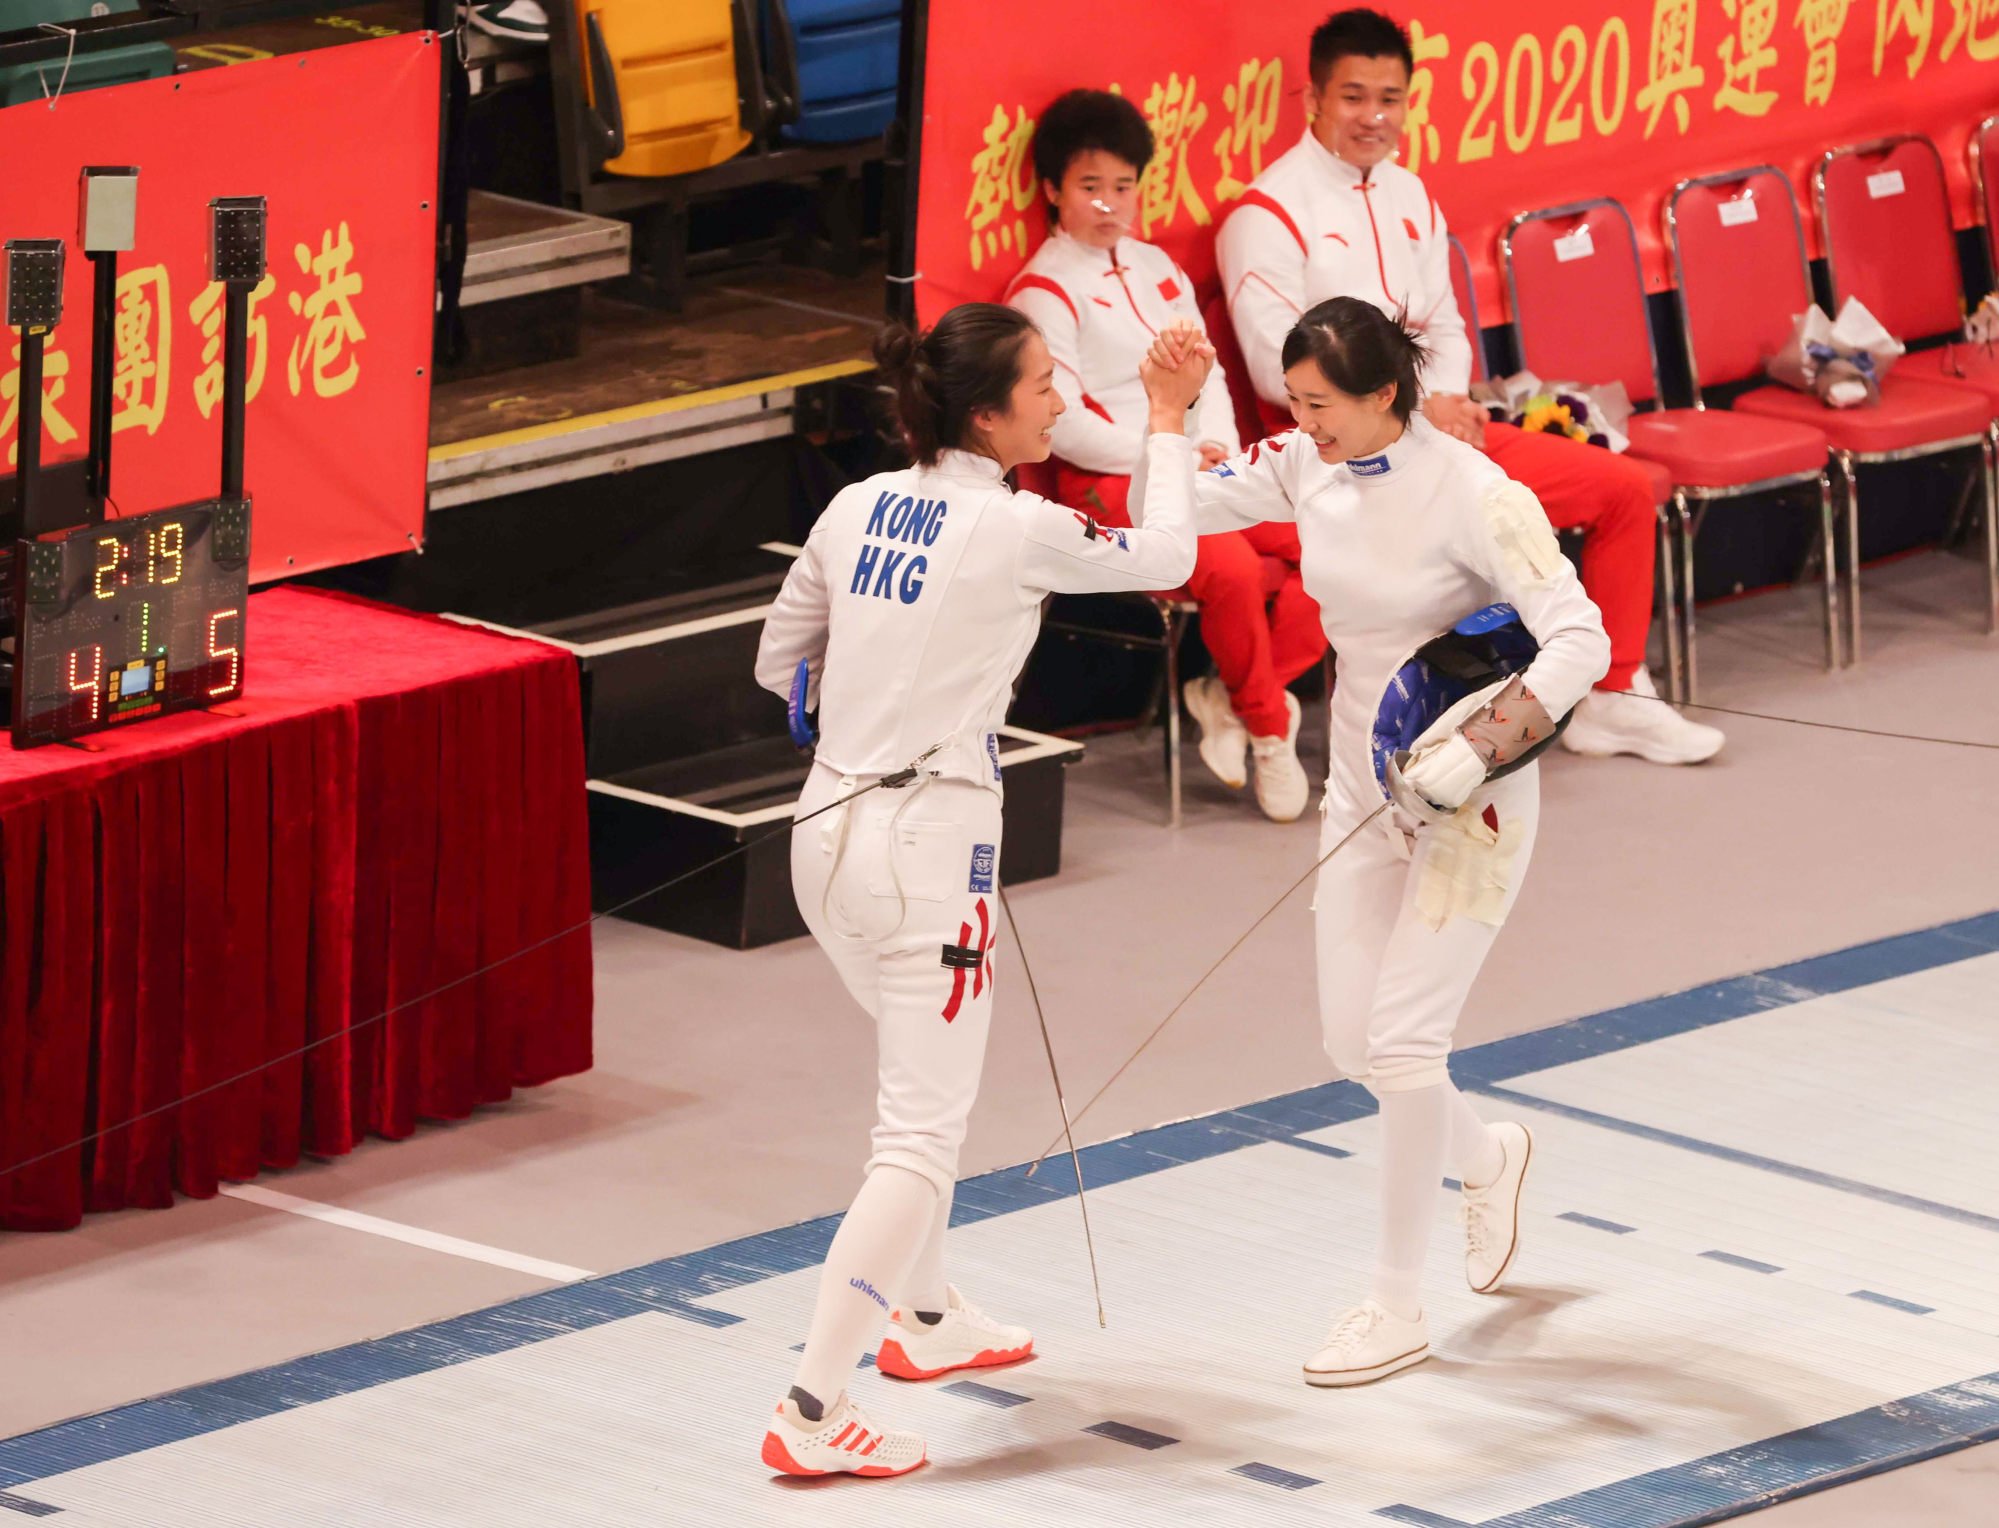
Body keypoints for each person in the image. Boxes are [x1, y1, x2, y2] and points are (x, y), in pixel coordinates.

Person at [752, 304, 1210, 1474]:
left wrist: (859, 706)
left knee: (917, 1091)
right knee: (916, 1138)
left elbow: (777, 662)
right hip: (924, 855)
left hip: (822, 832)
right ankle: (810, 1412)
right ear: (987, 413)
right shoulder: (1015, 525)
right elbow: (1166, 559)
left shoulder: (856, 503)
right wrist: (1165, 419)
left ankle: (927, 1315)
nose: (1058, 400)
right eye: (1043, 383)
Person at [1136, 298, 1609, 1385]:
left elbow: (1579, 637)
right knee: (1354, 1047)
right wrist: (1167, 415)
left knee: (1401, 1049)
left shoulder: (1477, 493)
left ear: (1384, 393)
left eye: (1320, 405)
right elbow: (1163, 522)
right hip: (1359, 789)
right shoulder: (1305, 464)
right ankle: (1488, 1155)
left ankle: (1394, 1305)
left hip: (1471, 804)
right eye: (1292, 403)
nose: (1303, 424)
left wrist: (1483, 745)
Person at [1216, 7, 1722, 766]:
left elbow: (1446, 323)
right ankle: (1278, 710)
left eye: (1390, 98)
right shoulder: (1266, 214)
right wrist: (1417, 410)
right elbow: (1272, 369)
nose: (1373, 116)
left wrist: (1445, 403)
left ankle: (1612, 696)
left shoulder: (1411, 194)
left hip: (1438, 432)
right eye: (1353, 97)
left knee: (1620, 489)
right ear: (1313, 98)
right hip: (1345, 458)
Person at [1008, 88, 1324, 821]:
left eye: (1123, 187)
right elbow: (1065, 421)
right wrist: (1168, 454)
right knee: (1235, 568)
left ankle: (1235, 698)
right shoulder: (1041, 291)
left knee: (1327, 539)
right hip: (1107, 481)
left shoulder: (1157, 266)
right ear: (1052, 190)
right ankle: (1268, 731)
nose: (1109, 204)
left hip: (1193, 460)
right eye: (1089, 187)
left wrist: (1217, 448)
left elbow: (1209, 372)